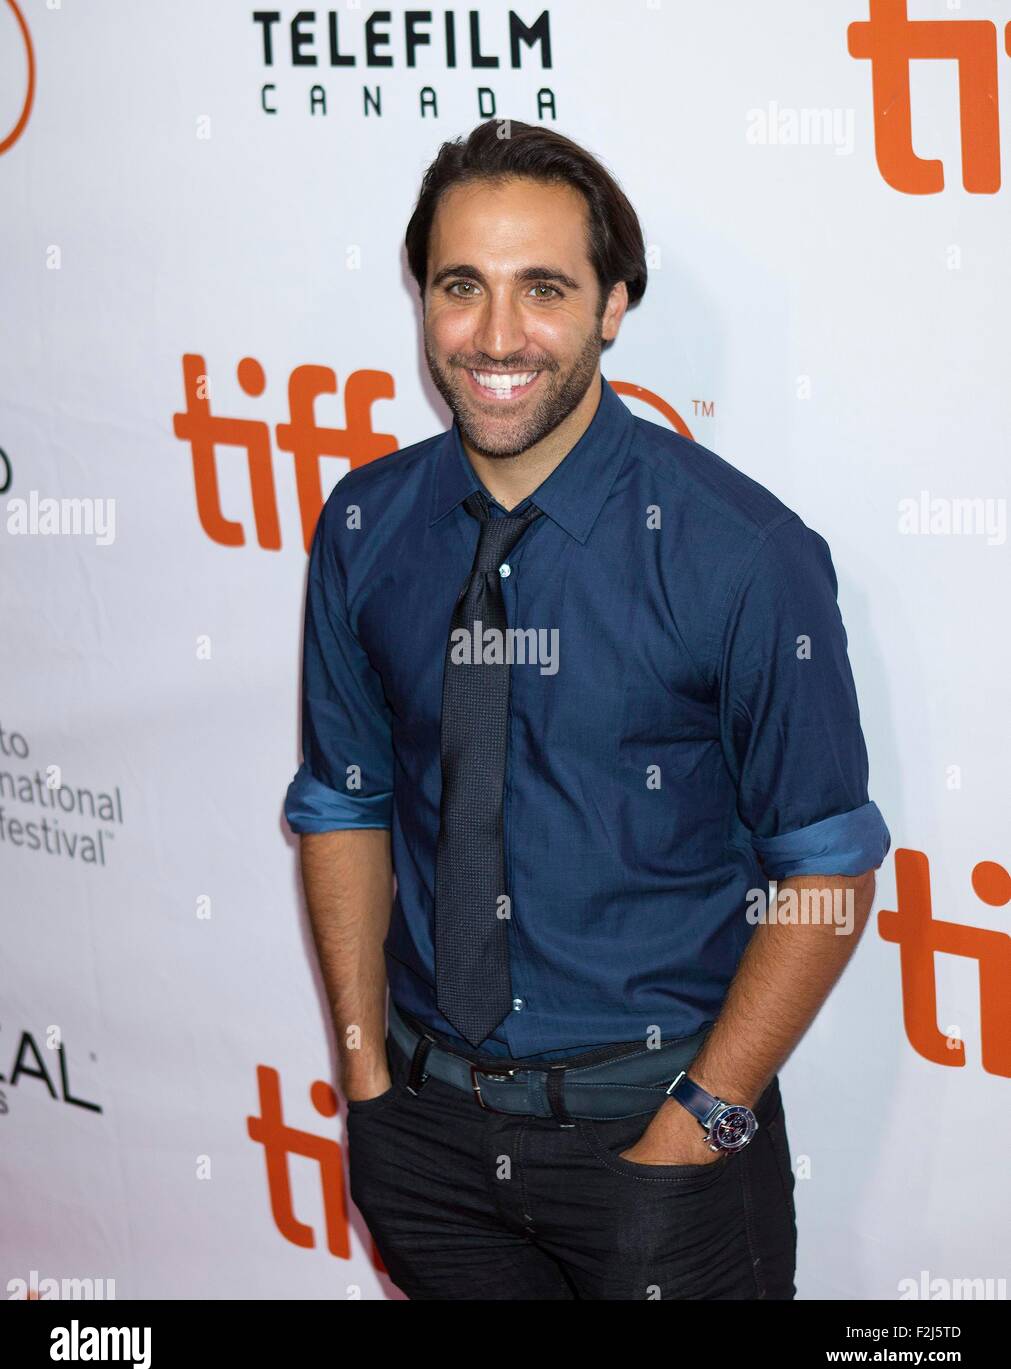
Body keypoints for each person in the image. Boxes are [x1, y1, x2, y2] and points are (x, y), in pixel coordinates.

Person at [283, 118, 890, 1301]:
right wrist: (364, 1081)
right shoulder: (365, 526)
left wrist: (697, 1132)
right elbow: (341, 808)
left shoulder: (742, 556)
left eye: (544, 289)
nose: (497, 337)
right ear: (423, 299)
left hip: (656, 1142)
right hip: (425, 1137)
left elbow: (826, 875)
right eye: (463, 287)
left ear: (615, 305)